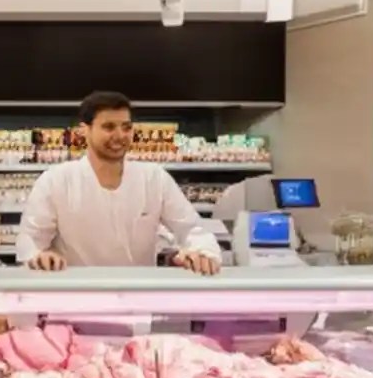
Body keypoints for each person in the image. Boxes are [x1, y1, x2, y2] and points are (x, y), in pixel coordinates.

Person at [16, 91, 222, 275]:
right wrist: (39, 257)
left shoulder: (154, 178)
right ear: (84, 131)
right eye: (108, 127)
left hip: (139, 298)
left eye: (126, 127)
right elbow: (30, 240)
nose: (120, 136)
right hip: (76, 299)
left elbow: (192, 229)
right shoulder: (56, 181)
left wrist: (201, 253)